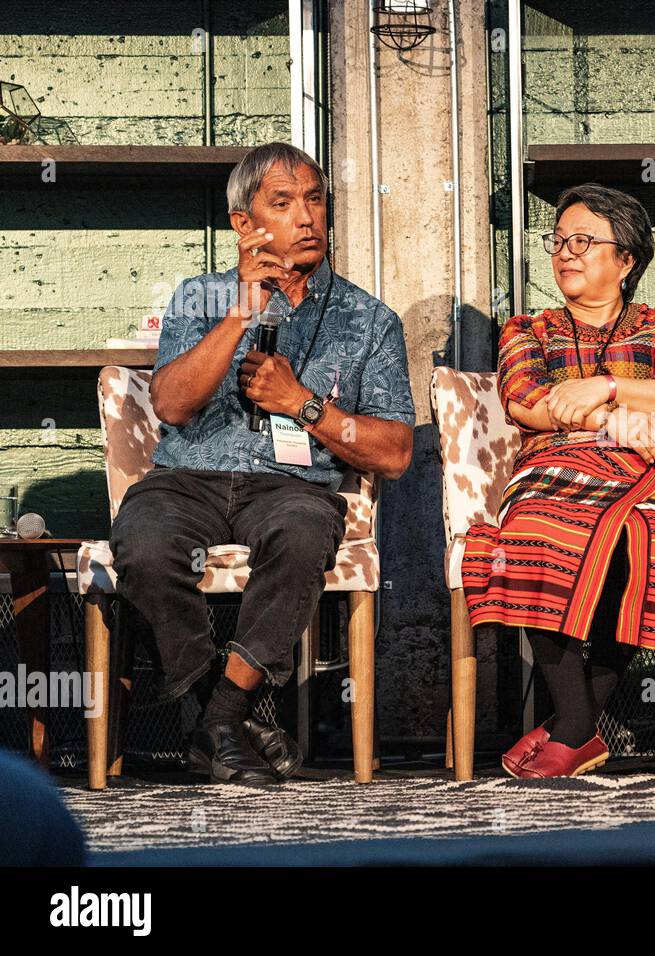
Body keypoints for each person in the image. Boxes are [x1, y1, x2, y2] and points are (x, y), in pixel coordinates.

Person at [109, 142, 415, 785]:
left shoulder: (368, 319)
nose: (306, 217)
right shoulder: (199, 297)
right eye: (283, 203)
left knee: (302, 537)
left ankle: (213, 717)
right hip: (187, 479)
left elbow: (394, 452)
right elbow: (170, 404)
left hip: (290, 487)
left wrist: (303, 405)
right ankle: (227, 720)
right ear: (244, 225)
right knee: (142, 544)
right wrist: (241, 313)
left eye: (315, 199)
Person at [460, 183, 655, 778]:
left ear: (626, 260)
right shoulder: (528, 329)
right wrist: (618, 420)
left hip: (643, 477)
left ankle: (569, 725)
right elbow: (526, 403)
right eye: (559, 241)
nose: (565, 253)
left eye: (583, 241)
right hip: (549, 471)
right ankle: (578, 726)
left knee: (648, 546)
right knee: (536, 532)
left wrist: (606, 386)